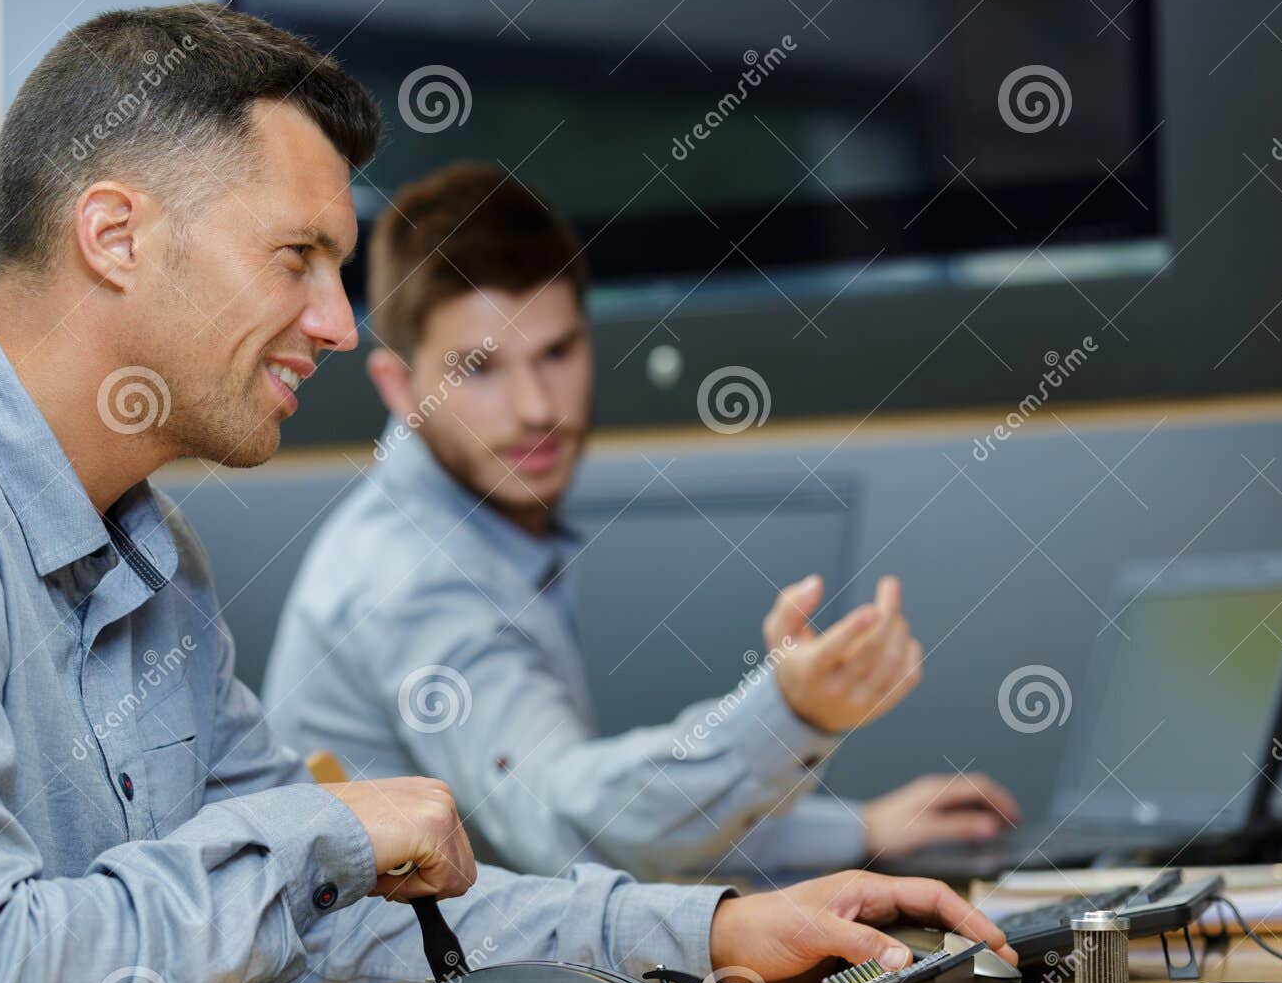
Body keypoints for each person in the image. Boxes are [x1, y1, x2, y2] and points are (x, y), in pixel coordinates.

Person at [0, 4, 1012, 983]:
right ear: (115, 237)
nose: (335, 320)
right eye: (297, 257)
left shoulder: (154, 557)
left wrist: (707, 929)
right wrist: (320, 833)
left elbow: (338, 914)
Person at [262, 161, 1021, 881]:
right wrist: (786, 714)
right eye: (479, 368)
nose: (536, 407)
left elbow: (563, 837)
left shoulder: (475, 520)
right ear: (400, 386)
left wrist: (860, 831)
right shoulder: (412, 577)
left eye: (557, 353)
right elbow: (567, 825)